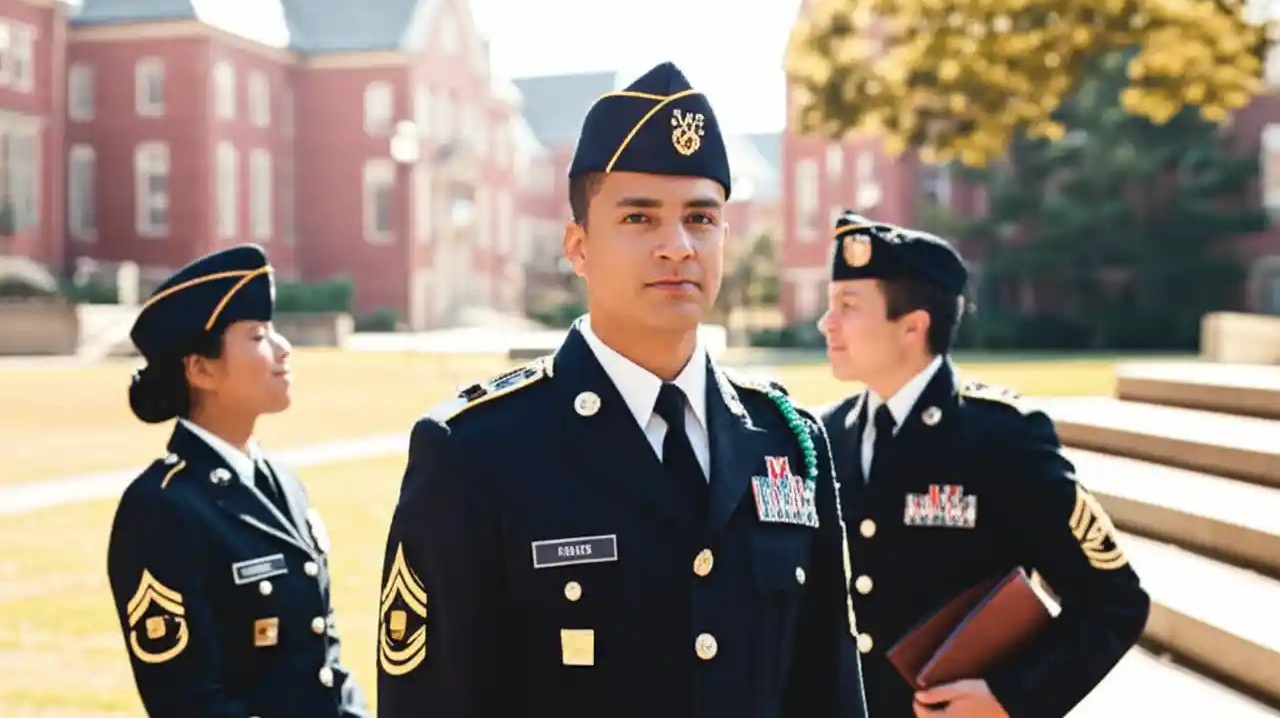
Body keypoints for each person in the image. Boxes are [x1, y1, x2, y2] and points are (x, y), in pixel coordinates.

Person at [376, 62, 868, 718]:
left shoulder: (785, 439)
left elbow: (828, 690)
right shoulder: (478, 454)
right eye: (639, 219)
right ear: (578, 247)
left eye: (701, 217)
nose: (677, 246)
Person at [815, 212, 1151, 718]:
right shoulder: (826, 434)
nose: (826, 322)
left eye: (848, 305)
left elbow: (1115, 600)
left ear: (912, 326)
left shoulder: (1001, 438)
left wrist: (1010, 698)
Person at [106, 244, 370, 718]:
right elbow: (188, 703)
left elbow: (325, 666)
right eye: (258, 335)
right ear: (201, 368)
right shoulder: (161, 509)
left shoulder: (283, 483)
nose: (283, 348)